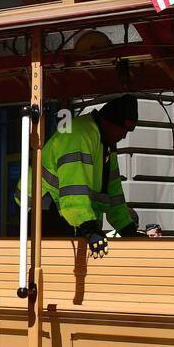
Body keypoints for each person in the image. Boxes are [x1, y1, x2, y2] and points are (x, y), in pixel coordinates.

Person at [22, 94, 140, 258]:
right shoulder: (80, 136)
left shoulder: (106, 145)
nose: (124, 136)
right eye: (124, 129)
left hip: (63, 212)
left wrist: (128, 230)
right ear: (109, 121)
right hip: (40, 208)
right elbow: (73, 192)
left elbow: (115, 196)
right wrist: (90, 229)